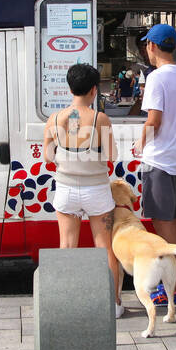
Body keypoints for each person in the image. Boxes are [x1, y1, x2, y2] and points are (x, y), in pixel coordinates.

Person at [44, 63, 125, 319]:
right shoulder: (100, 119)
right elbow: (112, 155)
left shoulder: (55, 119)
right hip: (97, 191)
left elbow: (47, 158)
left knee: (67, 246)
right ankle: (113, 304)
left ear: (69, 88)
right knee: (105, 248)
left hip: (66, 189)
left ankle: (66, 303)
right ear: (94, 90)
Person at [134, 24, 176, 307]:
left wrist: (140, 144)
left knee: (162, 225)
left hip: (160, 161)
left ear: (152, 46)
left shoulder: (157, 78)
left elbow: (154, 120)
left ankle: (173, 290)